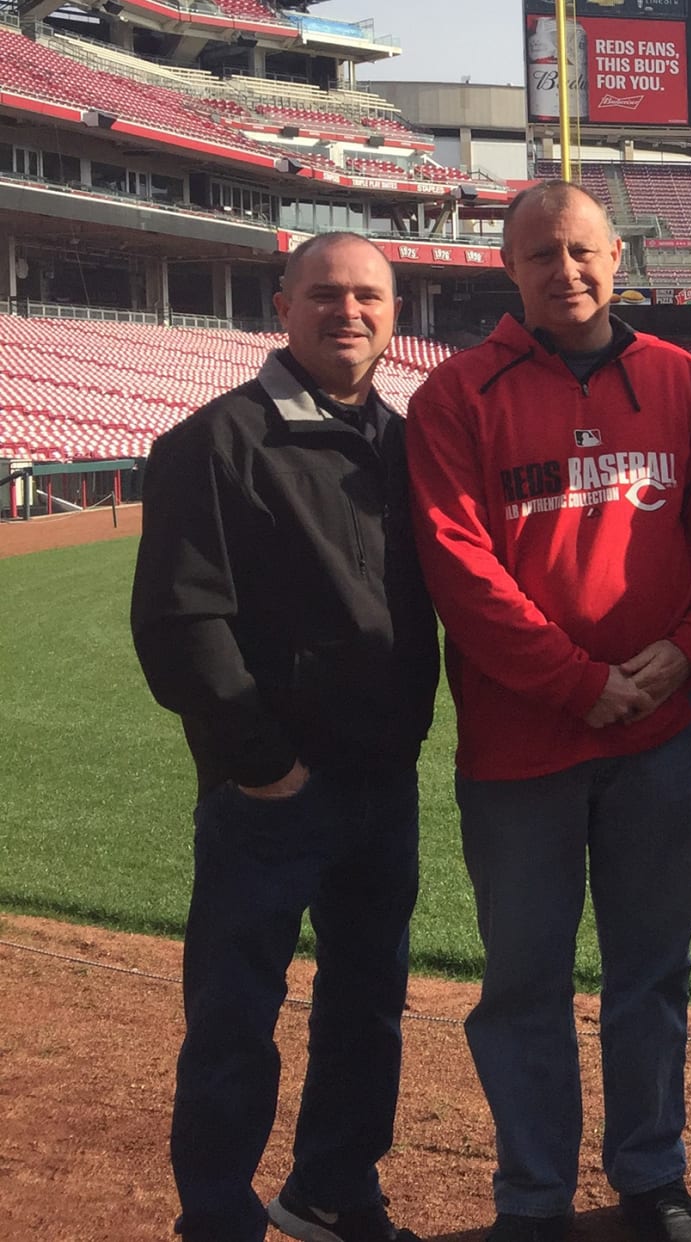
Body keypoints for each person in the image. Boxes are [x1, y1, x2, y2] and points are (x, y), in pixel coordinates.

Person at [406, 182, 691, 1242]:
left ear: (618, 255)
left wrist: (684, 654)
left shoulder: (682, 382)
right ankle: (534, 1197)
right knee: (525, 981)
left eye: (581, 251)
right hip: (520, 749)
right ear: (510, 267)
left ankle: (651, 1177)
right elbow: (461, 569)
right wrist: (582, 683)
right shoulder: (459, 393)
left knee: (651, 973)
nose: (564, 270)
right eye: (540, 254)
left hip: (657, 739)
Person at [131, 231, 437, 1242]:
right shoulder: (215, 442)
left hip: (381, 785)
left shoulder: (403, 446)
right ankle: (217, 1215)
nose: (347, 313)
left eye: (368, 297)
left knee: (368, 1008)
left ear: (394, 316)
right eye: (324, 295)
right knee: (234, 1018)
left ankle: (333, 1187)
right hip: (271, 794)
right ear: (281, 306)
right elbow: (181, 625)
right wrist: (265, 768)